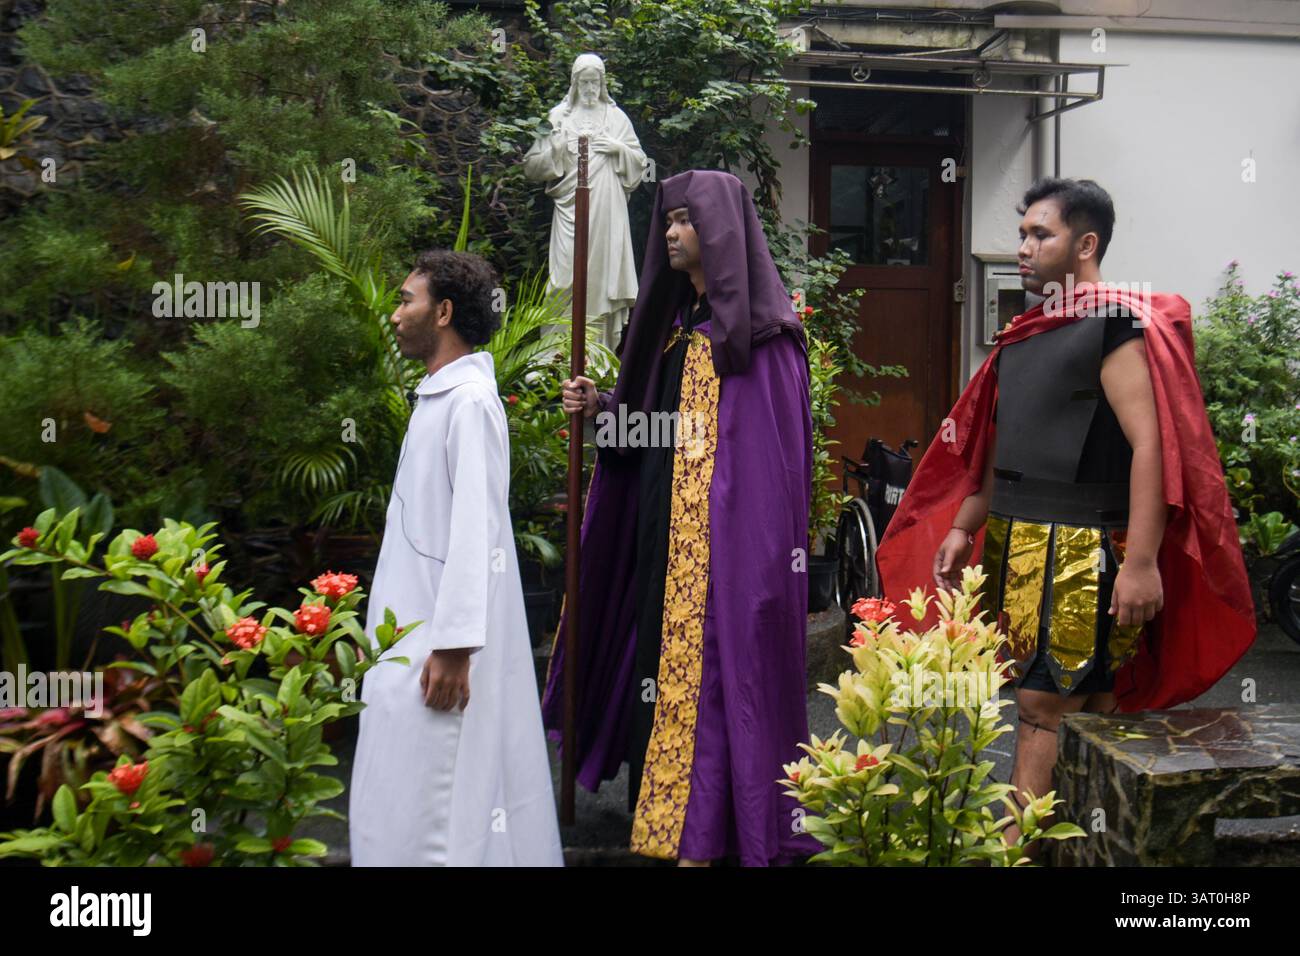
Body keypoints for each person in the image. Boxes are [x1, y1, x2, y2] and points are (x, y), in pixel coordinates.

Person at [876, 178, 1255, 850]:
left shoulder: (1115, 325)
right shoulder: (1026, 332)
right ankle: (1077, 844)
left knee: (1049, 704)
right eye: (1022, 233)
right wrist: (967, 523)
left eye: (1039, 234)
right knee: (1065, 699)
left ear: (1084, 244)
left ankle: (1025, 845)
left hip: (1087, 548)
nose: (1024, 247)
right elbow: (998, 444)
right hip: (1016, 540)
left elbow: (1152, 449)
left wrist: (1139, 562)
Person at [542, 169, 820, 866]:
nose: (669, 233)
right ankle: (664, 825)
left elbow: (775, 479)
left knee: (723, 691)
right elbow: (651, 436)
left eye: (684, 221)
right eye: (666, 221)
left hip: (724, 561)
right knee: (656, 681)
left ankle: (715, 834)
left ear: (720, 231)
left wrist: (750, 566)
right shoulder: (674, 335)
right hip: (663, 549)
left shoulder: (766, 340)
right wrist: (605, 410)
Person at [349, 250, 564, 867]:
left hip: (438, 650)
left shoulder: (470, 404)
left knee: (438, 800)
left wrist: (453, 646)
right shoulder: (442, 398)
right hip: (411, 633)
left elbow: (477, 531)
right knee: (407, 788)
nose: (394, 315)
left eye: (406, 299)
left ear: (442, 312)